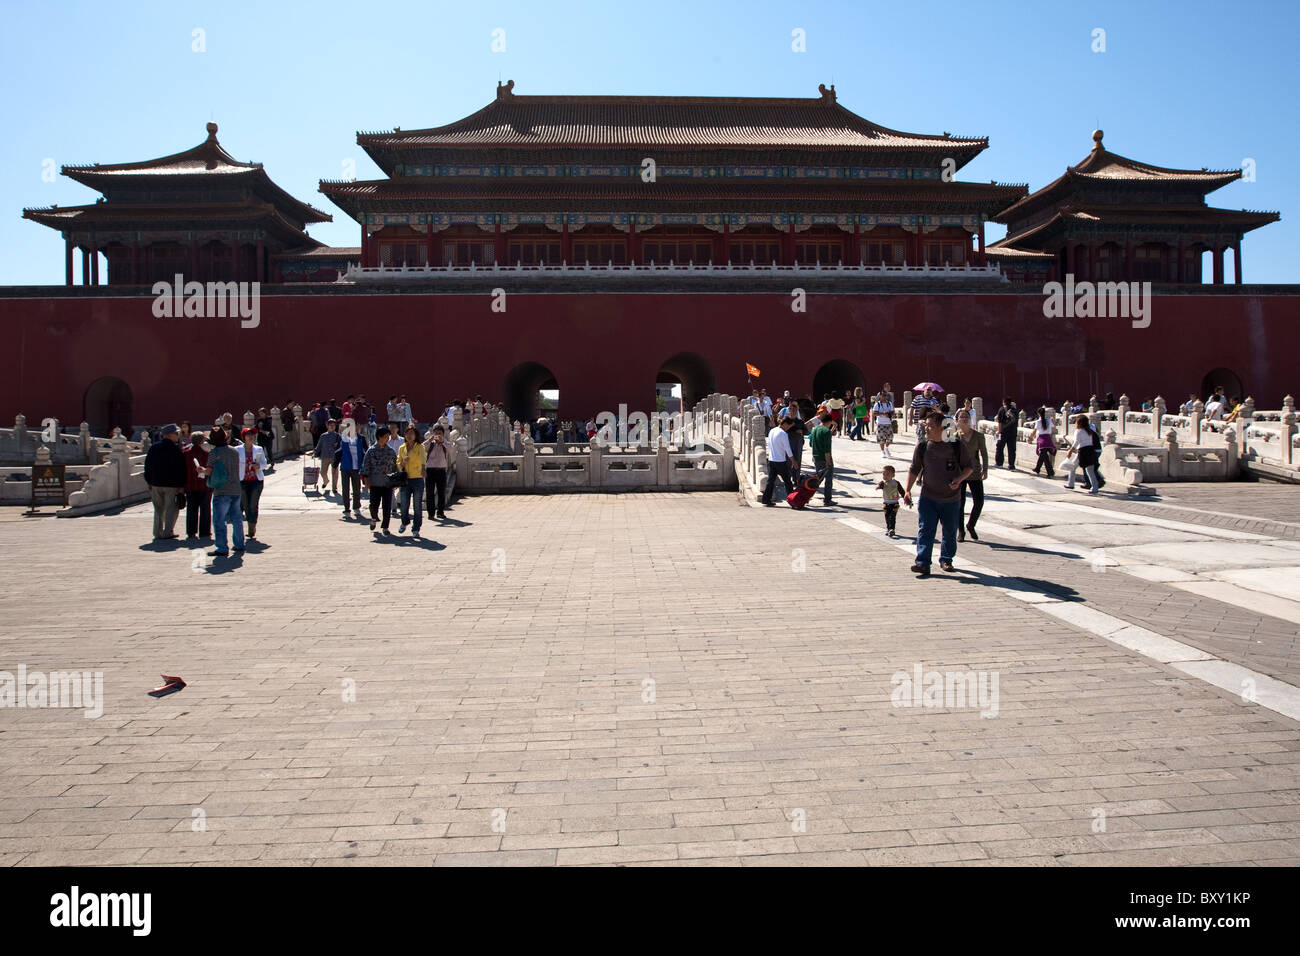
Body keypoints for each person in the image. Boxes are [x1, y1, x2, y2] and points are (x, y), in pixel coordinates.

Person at [904, 411, 973, 576]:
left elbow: (969, 467)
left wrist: (959, 479)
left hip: (951, 499)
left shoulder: (955, 445)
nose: (926, 428)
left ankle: (946, 559)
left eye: (931, 426)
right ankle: (922, 562)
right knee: (925, 529)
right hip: (928, 497)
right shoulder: (923, 446)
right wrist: (907, 490)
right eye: (925, 425)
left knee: (949, 530)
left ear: (943, 428)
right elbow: (914, 469)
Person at [202, 428, 244, 557]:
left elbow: (209, 471)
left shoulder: (214, 453)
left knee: (219, 520)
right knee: (237, 518)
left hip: (221, 490)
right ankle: (239, 544)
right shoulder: (234, 451)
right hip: (236, 488)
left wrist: (201, 470)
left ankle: (222, 547)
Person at [144, 423, 186, 540]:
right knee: (171, 509)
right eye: (176, 433)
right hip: (171, 485)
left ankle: (157, 532)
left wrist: (149, 481)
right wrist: (181, 485)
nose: (178, 436)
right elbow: (181, 469)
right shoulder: (176, 450)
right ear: (169, 435)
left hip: (155, 483)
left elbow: (147, 466)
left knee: (158, 509)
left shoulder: (154, 448)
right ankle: (168, 532)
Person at [955, 409, 989, 543]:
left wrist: (985, 469)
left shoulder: (979, 436)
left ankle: (971, 525)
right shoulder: (954, 435)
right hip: (960, 473)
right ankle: (961, 531)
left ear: (970, 419)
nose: (964, 418)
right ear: (957, 420)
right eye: (961, 417)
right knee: (960, 504)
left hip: (975, 472)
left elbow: (984, 454)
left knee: (979, 501)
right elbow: (946, 449)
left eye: (966, 416)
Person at [361, 426, 399, 533]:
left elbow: (395, 467)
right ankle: (373, 518)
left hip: (387, 483)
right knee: (374, 504)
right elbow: (366, 466)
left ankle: (385, 526)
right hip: (375, 482)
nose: (387, 438)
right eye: (385, 436)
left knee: (387, 506)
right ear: (379, 437)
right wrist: (367, 481)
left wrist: (396, 480)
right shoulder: (371, 451)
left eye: (388, 436)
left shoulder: (390, 451)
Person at [236, 427, 268, 539]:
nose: (251, 437)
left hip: (256, 481)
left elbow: (265, 463)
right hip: (242, 481)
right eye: (248, 435)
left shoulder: (258, 449)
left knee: (253, 504)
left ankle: (251, 528)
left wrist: (259, 466)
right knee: (245, 505)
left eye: (252, 435)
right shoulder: (237, 450)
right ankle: (250, 523)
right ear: (244, 437)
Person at [396, 425, 427, 536]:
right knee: (404, 504)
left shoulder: (420, 447)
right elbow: (398, 464)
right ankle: (404, 522)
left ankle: (416, 528)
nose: (409, 436)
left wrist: (423, 469)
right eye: (407, 433)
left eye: (412, 434)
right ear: (404, 435)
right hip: (405, 479)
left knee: (417, 505)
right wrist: (402, 463)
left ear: (415, 435)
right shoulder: (401, 448)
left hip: (417, 478)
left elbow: (423, 458)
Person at [760, 416, 796, 507]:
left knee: (770, 481)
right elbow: (788, 450)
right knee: (787, 481)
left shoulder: (772, 431)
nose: (787, 428)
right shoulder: (783, 434)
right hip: (780, 460)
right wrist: (794, 462)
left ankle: (766, 499)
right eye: (788, 426)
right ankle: (793, 500)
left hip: (772, 459)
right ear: (784, 424)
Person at [183, 431, 212, 539]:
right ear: (202, 441)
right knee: (205, 509)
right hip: (204, 486)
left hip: (189, 485)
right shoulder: (207, 455)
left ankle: (191, 531)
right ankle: (205, 531)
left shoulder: (185, 454)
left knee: (191, 509)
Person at [1063, 414, 1101, 495]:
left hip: (1082, 451)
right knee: (1090, 470)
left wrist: (1070, 451)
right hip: (1090, 451)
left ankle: (1071, 484)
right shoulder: (1090, 431)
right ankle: (1095, 487)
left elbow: (1076, 443)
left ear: (1079, 423)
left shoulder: (1078, 431)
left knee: (1073, 467)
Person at [337, 420, 368, 517]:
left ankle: (356, 507)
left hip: (357, 468)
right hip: (345, 467)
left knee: (356, 489)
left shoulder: (361, 438)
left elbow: (366, 452)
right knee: (345, 489)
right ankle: (346, 509)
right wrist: (335, 464)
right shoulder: (343, 438)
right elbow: (338, 451)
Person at [807, 412, 835, 507]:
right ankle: (827, 499)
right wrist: (828, 461)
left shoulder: (814, 429)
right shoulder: (826, 431)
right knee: (828, 479)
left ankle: (807, 495)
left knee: (817, 479)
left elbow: (811, 444)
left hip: (815, 457)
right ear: (830, 421)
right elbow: (827, 449)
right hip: (824, 458)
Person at [425, 424, 452, 520]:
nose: (437, 435)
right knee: (429, 492)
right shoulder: (430, 443)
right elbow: (422, 448)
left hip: (441, 470)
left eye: (439, 433)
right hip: (430, 470)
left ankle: (440, 512)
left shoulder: (445, 443)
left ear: (443, 434)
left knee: (441, 492)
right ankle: (430, 513)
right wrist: (430, 440)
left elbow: (452, 449)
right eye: (436, 433)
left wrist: (443, 441)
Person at [314, 419, 342, 494]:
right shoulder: (323, 436)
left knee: (335, 473)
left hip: (334, 457)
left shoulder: (338, 436)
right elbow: (319, 445)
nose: (332, 427)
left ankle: (334, 488)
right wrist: (315, 452)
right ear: (327, 426)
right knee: (323, 472)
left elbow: (342, 446)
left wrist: (338, 445)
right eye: (331, 425)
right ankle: (326, 481)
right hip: (325, 456)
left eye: (334, 425)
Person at [1030, 406, 1057, 477]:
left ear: (1038, 414)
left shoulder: (1038, 422)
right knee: (1044, 455)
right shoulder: (1048, 420)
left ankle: (1050, 472)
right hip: (1048, 439)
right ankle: (1038, 469)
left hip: (1042, 439)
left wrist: (1030, 438)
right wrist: (1053, 421)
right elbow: (1054, 427)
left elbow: (1034, 431)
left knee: (1044, 456)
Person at [877, 465, 903, 538]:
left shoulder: (896, 483)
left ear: (893, 475)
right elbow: (880, 485)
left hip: (894, 504)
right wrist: (878, 487)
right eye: (883, 474)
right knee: (887, 517)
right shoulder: (883, 483)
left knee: (892, 516)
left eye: (887, 474)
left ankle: (892, 529)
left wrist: (906, 497)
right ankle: (889, 529)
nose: (885, 476)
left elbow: (901, 491)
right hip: (886, 503)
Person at [994, 397, 1019, 470]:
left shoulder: (1002, 409)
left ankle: (999, 463)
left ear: (1004, 402)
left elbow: (1000, 421)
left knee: (1000, 447)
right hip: (1013, 432)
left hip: (1003, 432)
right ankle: (1011, 465)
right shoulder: (1015, 410)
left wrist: (999, 431)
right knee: (1012, 449)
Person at [872, 392, 896, 458]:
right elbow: (874, 413)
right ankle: (883, 452)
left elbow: (893, 411)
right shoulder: (877, 404)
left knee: (890, 438)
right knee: (881, 439)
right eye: (883, 396)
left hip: (888, 423)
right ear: (880, 396)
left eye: (885, 396)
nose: (884, 397)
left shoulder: (889, 403)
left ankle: (886, 447)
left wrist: (889, 413)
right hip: (880, 423)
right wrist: (883, 413)